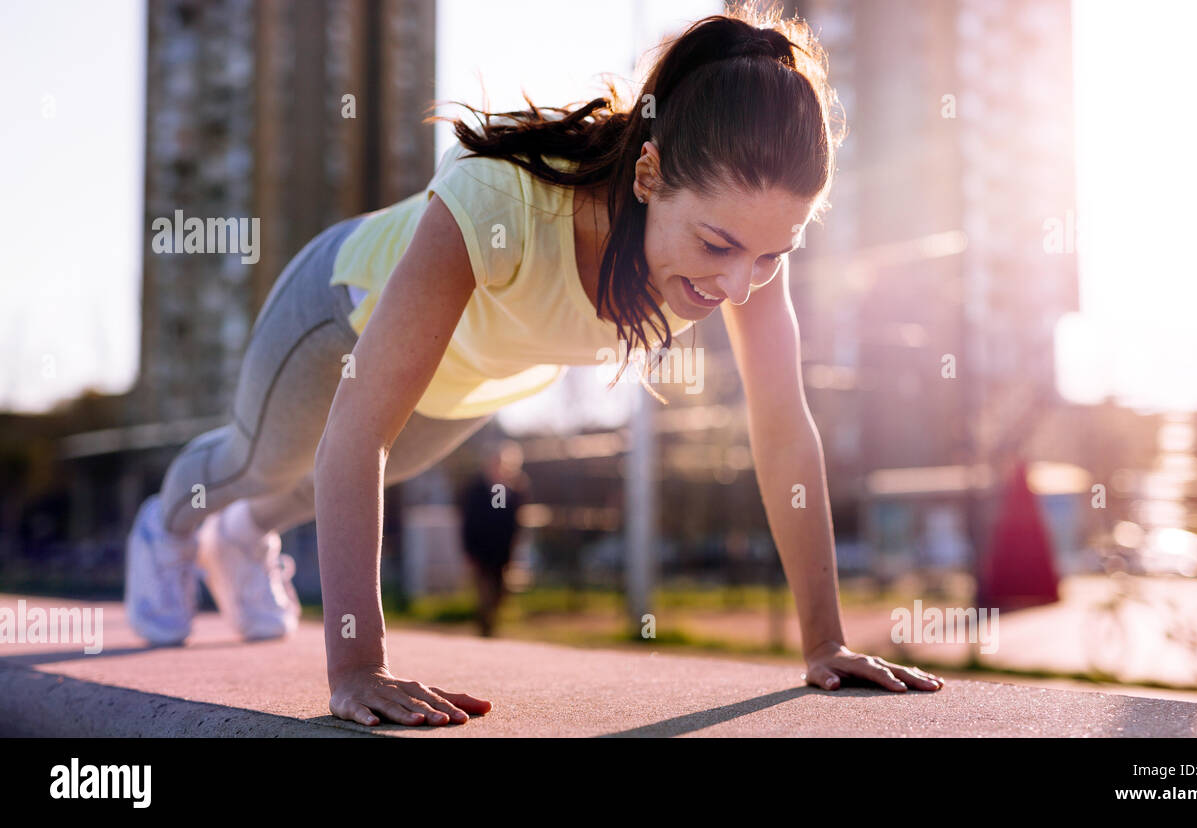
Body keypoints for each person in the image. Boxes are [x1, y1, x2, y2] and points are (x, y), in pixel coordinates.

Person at [124, 3, 945, 730]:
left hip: (471, 378)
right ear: (650, 173)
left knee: (313, 489)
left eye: (772, 255)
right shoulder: (501, 202)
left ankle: (242, 539)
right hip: (337, 317)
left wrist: (825, 641)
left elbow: (783, 428)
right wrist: (358, 666)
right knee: (256, 463)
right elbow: (358, 428)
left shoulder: (746, 247)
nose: (739, 284)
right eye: (717, 245)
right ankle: (169, 526)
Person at [455, 440, 529, 637]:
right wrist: (468, 550)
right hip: (480, 550)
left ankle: (488, 626)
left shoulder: (505, 490)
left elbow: (506, 520)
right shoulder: (477, 489)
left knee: (498, 592)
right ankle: (485, 628)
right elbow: (469, 522)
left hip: (500, 552)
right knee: (485, 592)